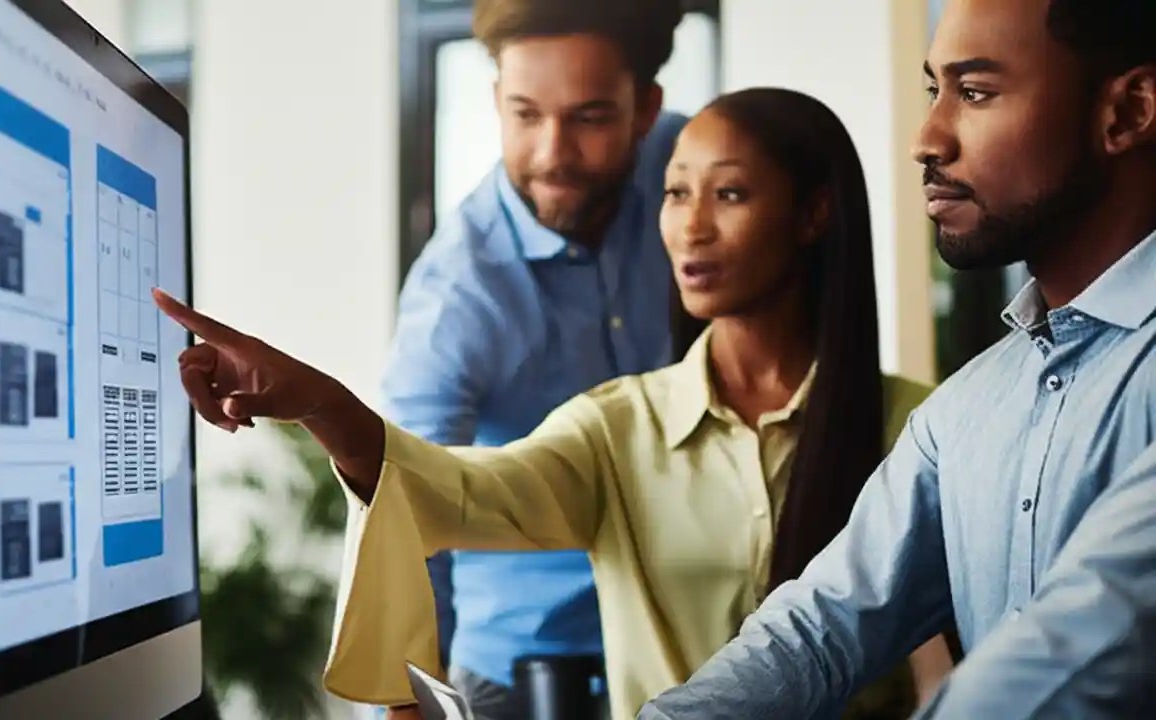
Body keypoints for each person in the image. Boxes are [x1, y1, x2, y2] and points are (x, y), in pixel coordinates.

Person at [152, 87, 954, 718]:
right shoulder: (616, 428)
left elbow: (966, 656)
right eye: (675, 194)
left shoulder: (924, 428)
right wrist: (324, 404)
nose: (691, 227)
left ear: (813, 214)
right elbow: (457, 491)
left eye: (731, 195)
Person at [628, 0, 1156, 717]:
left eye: (974, 93)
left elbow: (1086, 642)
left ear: (1126, 113)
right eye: (932, 91)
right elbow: (817, 630)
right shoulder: (966, 410)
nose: (927, 138)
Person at [380, 0, 689, 716]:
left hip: (691, 635)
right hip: (524, 670)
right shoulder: (458, 290)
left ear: (645, 109)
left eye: (588, 118)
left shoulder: (687, 171)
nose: (553, 152)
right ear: (496, 102)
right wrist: (403, 701)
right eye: (525, 115)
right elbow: (402, 518)